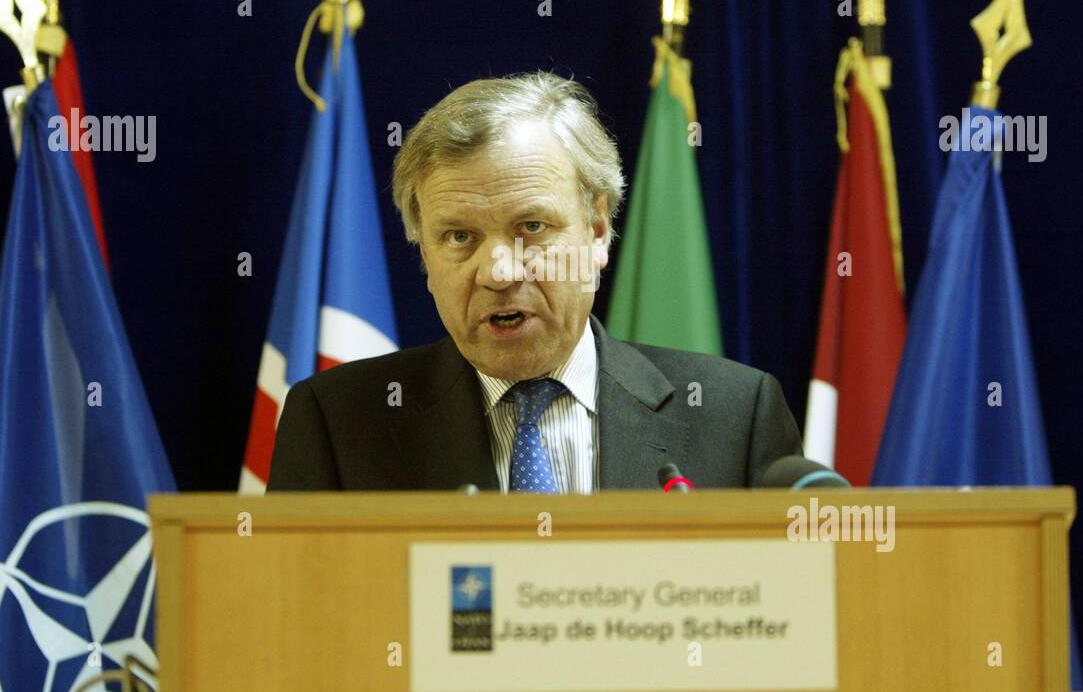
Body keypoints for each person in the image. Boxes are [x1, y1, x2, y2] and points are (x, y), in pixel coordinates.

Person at [268, 72, 801, 492]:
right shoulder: (336, 424)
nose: (500, 272)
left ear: (596, 231)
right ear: (425, 257)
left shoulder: (736, 415)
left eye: (531, 227)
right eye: (459, 237)